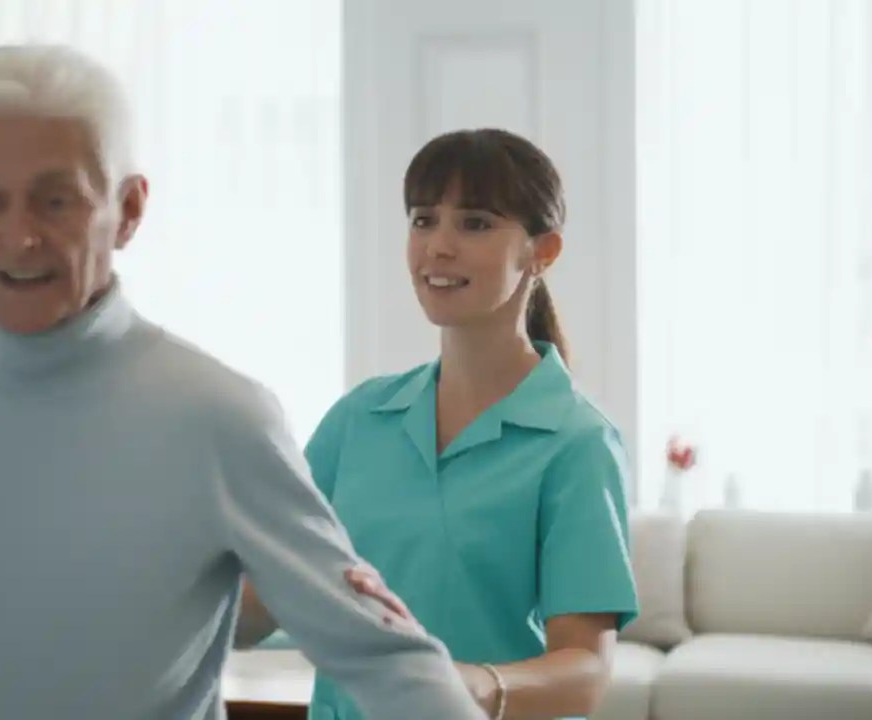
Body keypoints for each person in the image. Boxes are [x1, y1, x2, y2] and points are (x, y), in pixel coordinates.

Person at [0, 44, 486, 720]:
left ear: (127, 210)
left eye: (56, 200)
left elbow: (385, 660)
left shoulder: (216, 418)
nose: (21, 235)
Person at [237, 129, 640, 720]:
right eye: (424, 221)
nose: (438, 247)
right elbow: (264, 603)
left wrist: (474, 685)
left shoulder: (577, 443)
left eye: (475, 223)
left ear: (542, 251)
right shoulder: (358, 420)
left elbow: (584, 669)